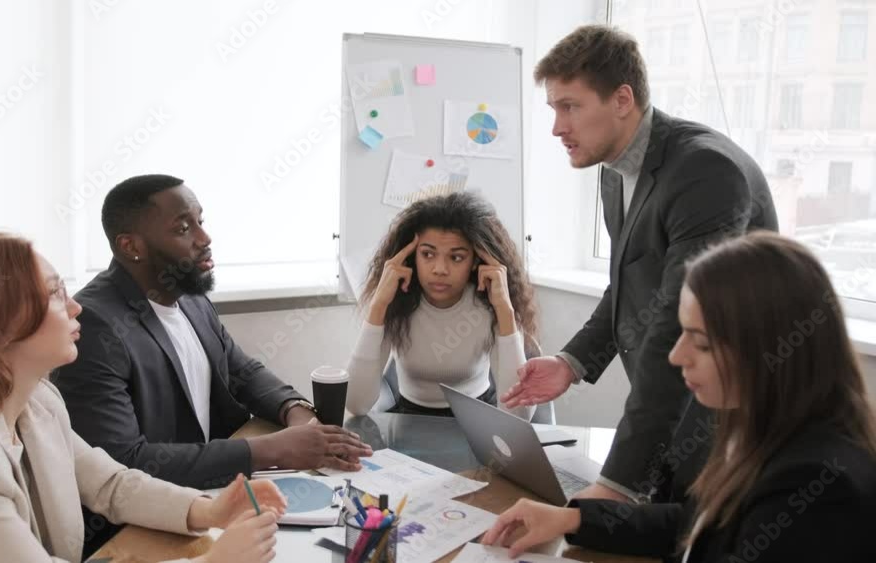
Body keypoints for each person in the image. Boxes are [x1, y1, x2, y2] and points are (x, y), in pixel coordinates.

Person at [0, 233, 287, 563]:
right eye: (55, 294)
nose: (75, 307)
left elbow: (110, 484)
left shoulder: (38, 401)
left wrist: (208, 510)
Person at [502, 25, 778, 501]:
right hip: (680, 397)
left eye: (570, 106)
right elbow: (628, 282)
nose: (557, 127)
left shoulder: (705, 172)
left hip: (727, 409)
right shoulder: (615, 170)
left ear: (622, 99)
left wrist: (617, 485)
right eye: (553, 109)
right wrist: (571, 363)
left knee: (696, 528)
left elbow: (676, 321)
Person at [484, 232, 876, 562]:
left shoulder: (816, 490)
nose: (676, 356)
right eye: (681, 333)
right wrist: (574, 520)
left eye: (701, 343)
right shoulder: (772, 429)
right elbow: (700, 522)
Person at [52, 174, 372, 553]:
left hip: (214, 499)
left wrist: (296, 412)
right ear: (131, 246)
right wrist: (272, 449)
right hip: (141, 529)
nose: (204, 238)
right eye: (183, 228)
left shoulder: (188, 295)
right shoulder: (95, 325)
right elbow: (124, 461)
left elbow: (240, 370)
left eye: (200, 221)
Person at [346, 192, 539, 421]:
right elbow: (355, 404)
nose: (439, 269)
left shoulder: (491, 302)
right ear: (412, 256)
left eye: (456, 258)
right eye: (427, 254)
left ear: (475, 261)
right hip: (409, 418)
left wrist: (505, 311)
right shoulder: (397, 300)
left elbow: (520, 416)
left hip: (477, 417)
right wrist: (378, 304)